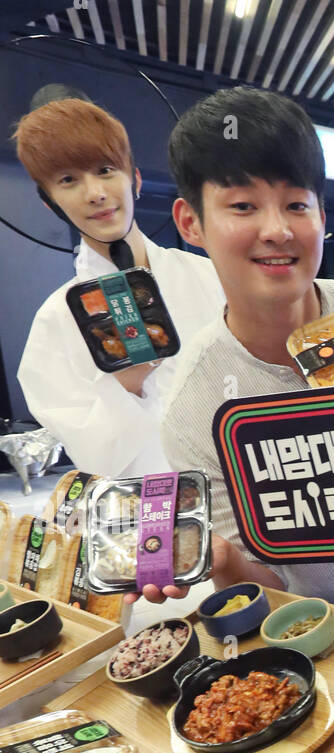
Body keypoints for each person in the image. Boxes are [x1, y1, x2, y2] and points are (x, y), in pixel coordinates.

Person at [153, 86, 334, 612]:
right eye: (243, 206)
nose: (277, 230)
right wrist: (223, 562)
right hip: (318, 630)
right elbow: (261, 589)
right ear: (190, 222)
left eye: (296, 205)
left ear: (322, 217)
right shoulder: (197, 410)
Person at [14, 94, 224, 478]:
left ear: (135, 179)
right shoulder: (54, 323)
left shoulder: (212, 277)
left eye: (106, 170)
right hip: (151, 517)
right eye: (68, 180)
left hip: (247, 501)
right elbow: (96, 462)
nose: (94, 192)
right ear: (50, 203)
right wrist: (127, 385)